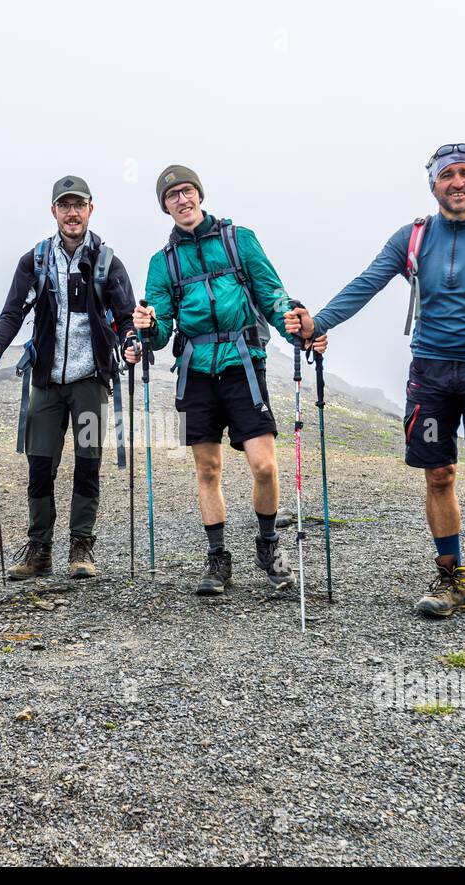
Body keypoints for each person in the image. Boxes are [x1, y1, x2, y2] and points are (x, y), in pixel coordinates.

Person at [285, 144, 465, 636]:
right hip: (430, 374)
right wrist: (319, 320)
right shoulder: (413, 238)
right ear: (433, 185)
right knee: (438, 475)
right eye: (448, 175)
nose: (458, 183)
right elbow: (367, 283)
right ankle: (451, 580)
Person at [132, 164, 327, 596]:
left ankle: (268, 543)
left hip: (243, 364)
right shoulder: (162, 263)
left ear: (199, 194)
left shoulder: (240, 241)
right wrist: (148, 326)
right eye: (172, 196)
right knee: (208, 469)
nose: (182, 200)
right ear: (165, 206)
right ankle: (218, 559)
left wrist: (293, 325)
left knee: (264, 465)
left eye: (187, 191)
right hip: (195, 371)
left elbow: (271, 294)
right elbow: (162, 332)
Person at [0, 175, 137, 579]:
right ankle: (39, 550)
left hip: (91, 379)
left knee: (87, 463)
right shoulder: (35, 260)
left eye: (78, 204)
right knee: (39, 465)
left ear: (90, 209)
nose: (72, 213)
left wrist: (132, 342)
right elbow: (14, 312)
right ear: (53, 212)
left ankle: (81, 548)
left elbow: (125, 317)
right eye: (64, 205)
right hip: (46, 382)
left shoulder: (107, 261)